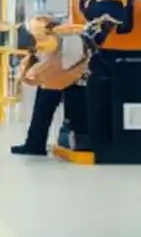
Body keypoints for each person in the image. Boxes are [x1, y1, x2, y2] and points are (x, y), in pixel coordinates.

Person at [12, 16, 90, 156]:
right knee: (46, 109)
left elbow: (62, 64)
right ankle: (35, 144)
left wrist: (34, 76)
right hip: (64, 74)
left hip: (71, 74)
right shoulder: (49, 40)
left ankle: (37, 144)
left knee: (48, 110)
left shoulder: (66, 39)